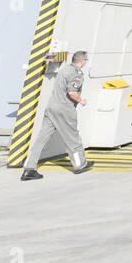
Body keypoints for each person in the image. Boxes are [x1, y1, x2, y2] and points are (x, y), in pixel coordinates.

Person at [20, 50, 94, 180]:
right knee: (73, 138)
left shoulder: (64, 69)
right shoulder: (76, 74)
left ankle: (29, 168)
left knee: (41, 139)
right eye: (86, 60)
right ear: (82, 62)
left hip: (51, 108)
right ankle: (80, 165)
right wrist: (81, 101)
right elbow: (72, 92)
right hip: (64, 110)